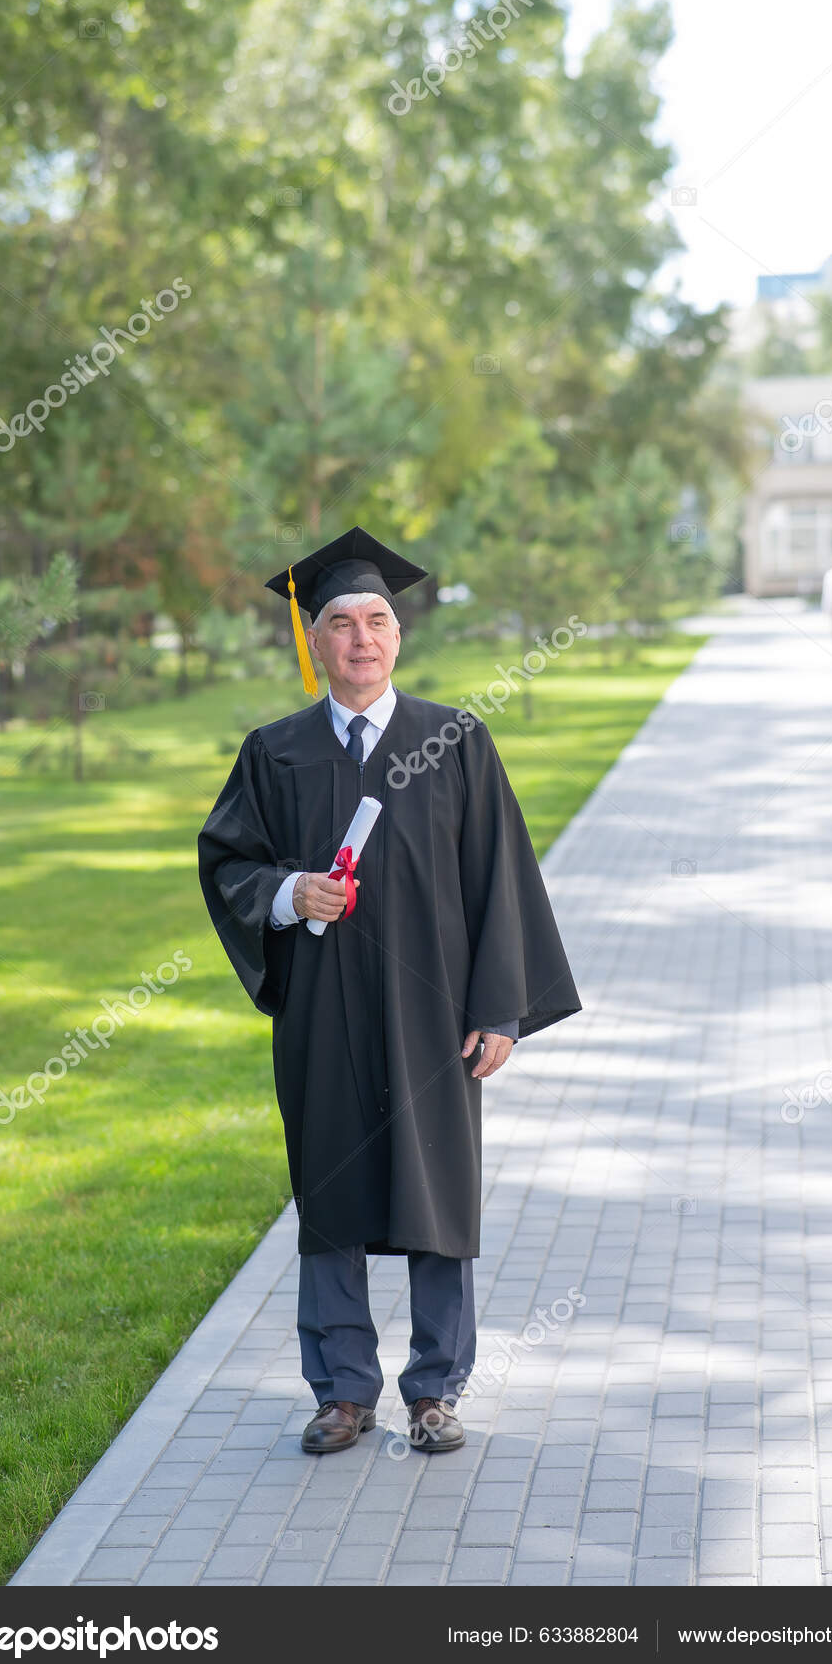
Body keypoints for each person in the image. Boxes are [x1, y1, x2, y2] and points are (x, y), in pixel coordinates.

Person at [198, 525, 581, 1455]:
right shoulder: (275, 752)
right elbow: (227, 863)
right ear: (314, 641)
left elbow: (501, 880)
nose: (361, 639)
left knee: (436, 1194)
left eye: (377, 620)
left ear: (399, 636)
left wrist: (500, 1012)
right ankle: (341, 1391)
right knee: (328, 1195)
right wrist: (289, 893)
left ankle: (434, 1390)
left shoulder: (454, 739)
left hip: (433, 1014)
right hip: (323, 1011)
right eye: (339, 623)